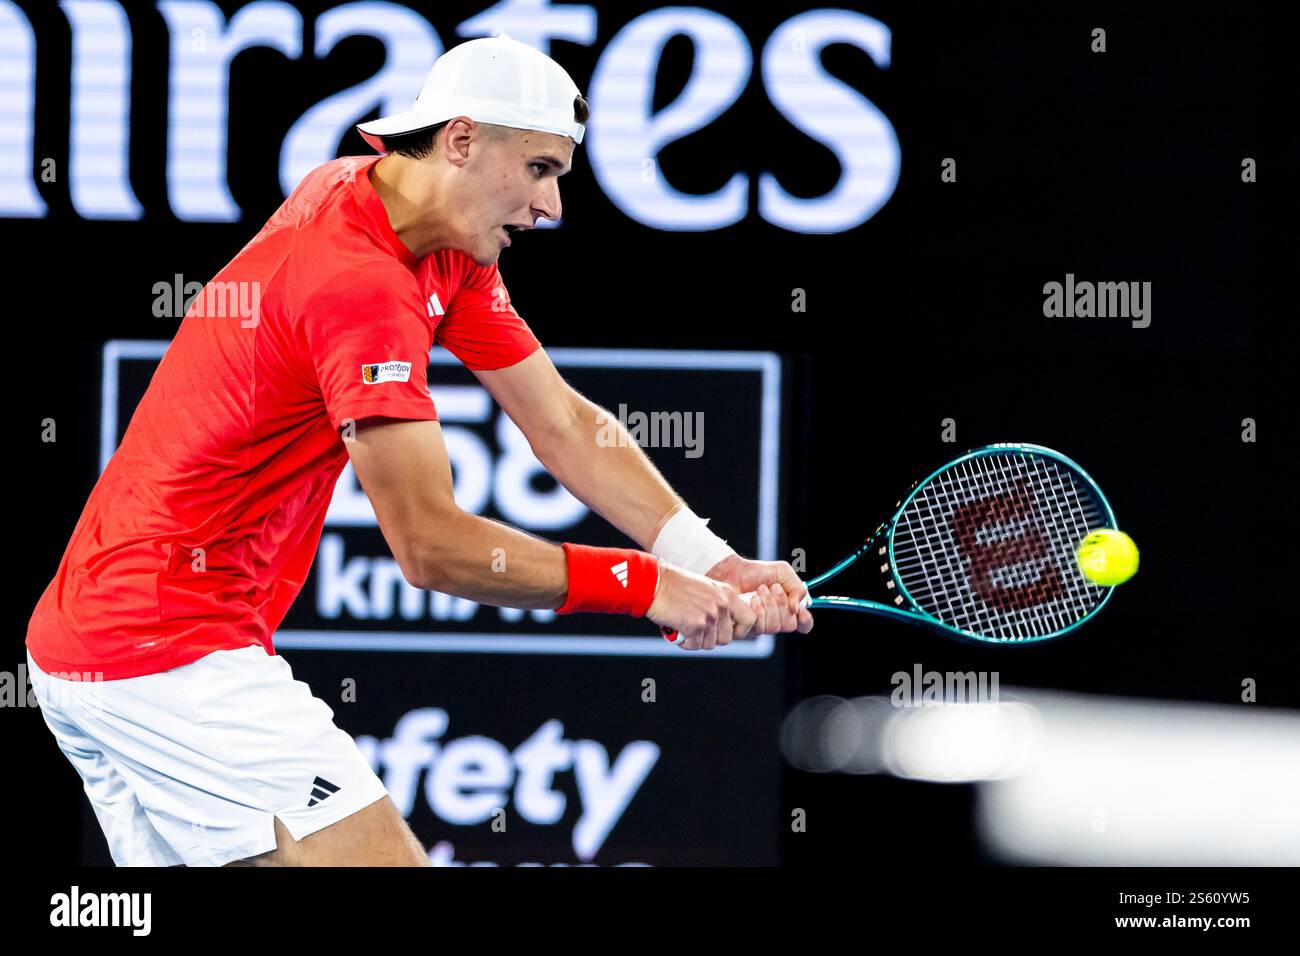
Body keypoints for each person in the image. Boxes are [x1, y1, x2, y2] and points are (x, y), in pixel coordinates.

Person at [25, 35, 813, 867]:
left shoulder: (393, 211)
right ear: (462, 140)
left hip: (94, 647)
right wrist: (646, 587)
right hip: (167, 652)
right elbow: (431, 547)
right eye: (541, 170)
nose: (551, 209)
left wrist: (708, 560)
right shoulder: (359, 286)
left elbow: (561, 423)